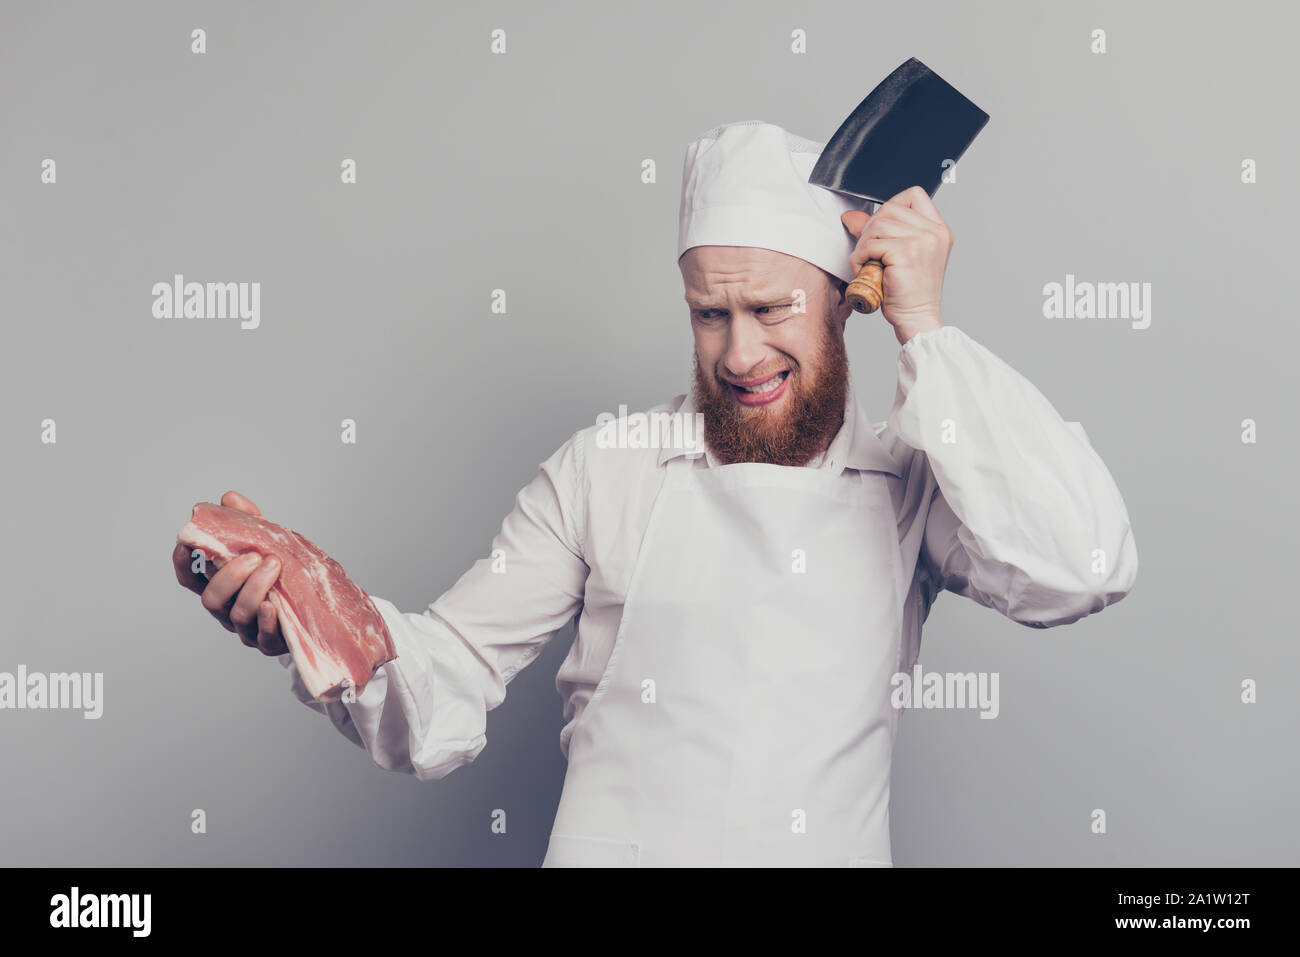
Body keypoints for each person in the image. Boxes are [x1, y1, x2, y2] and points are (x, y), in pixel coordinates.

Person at [172, 120, 1138, 867]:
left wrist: (927, 328)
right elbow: (449, 680)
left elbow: (1080, 567)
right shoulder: (608, 465)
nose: (739, 351)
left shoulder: (909, 483)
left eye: (769, 309)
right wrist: (324, 632)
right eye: (709, 314)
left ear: (851, 301)